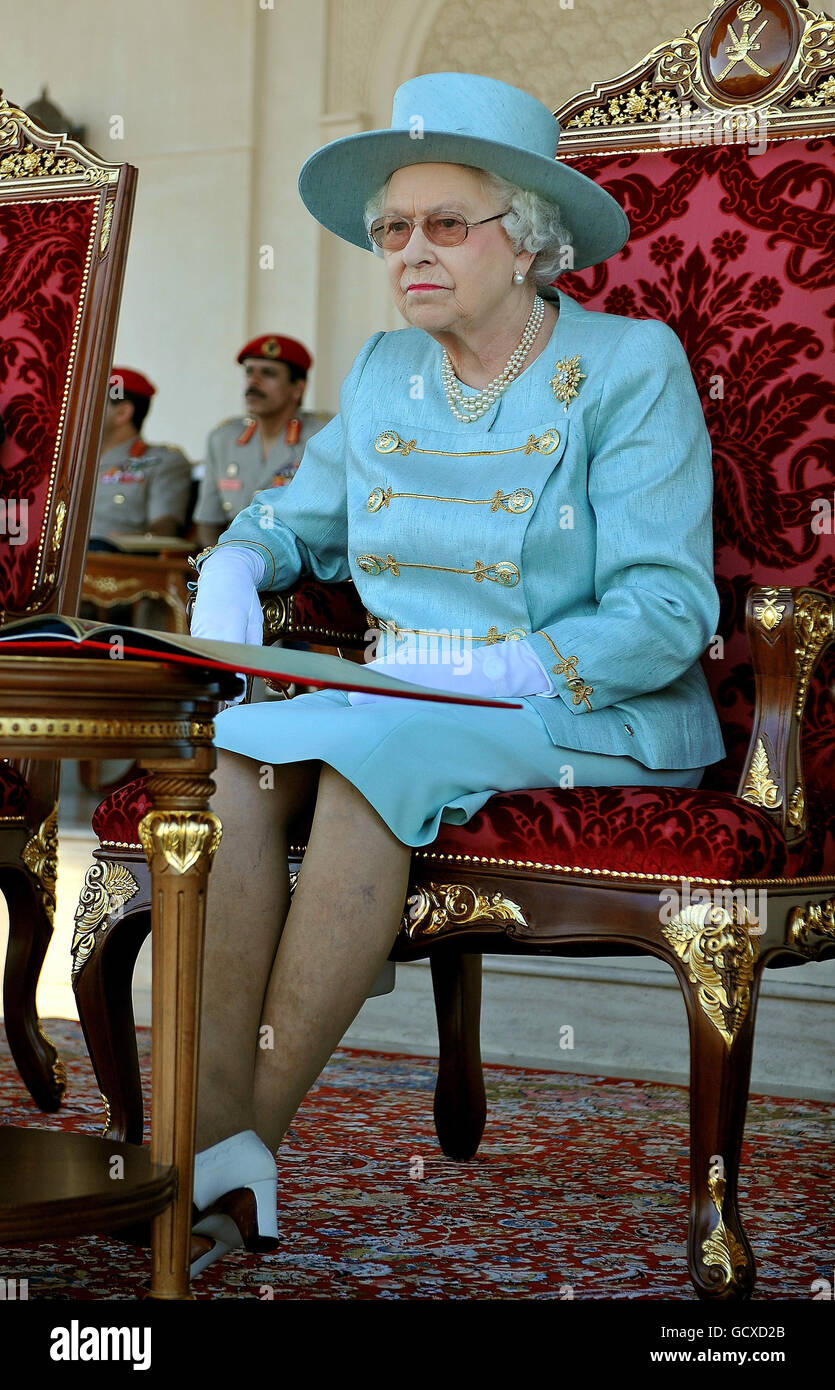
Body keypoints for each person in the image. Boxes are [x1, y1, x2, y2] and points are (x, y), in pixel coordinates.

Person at [185, 71, 726, 1276]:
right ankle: (213, 1140)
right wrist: (234, 563)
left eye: (443, 224)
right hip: (403, 700)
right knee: (238, 753)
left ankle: (230, 1154)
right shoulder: (384, 371)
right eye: (392, 229)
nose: (407, 252)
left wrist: (507, 665)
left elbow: (669, 608)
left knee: (365, 749)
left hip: (591, 703)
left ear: (526, 239)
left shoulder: (628, 365)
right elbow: (292, 521)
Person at [192, 335, 331, 550]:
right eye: (249, 372)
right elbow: (208, 521)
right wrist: (221, 558)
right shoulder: (223, 439)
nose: (253, 381)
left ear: (298, 388)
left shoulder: (324, 436)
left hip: (303, 564)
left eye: (268, 373)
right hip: (236, 561)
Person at [88, 368, 192, 547]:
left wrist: (127, 541)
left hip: (112, 563)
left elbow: (164, 528)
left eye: (91, 401)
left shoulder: (163, 462)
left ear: (122, 413)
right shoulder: (69, 461)